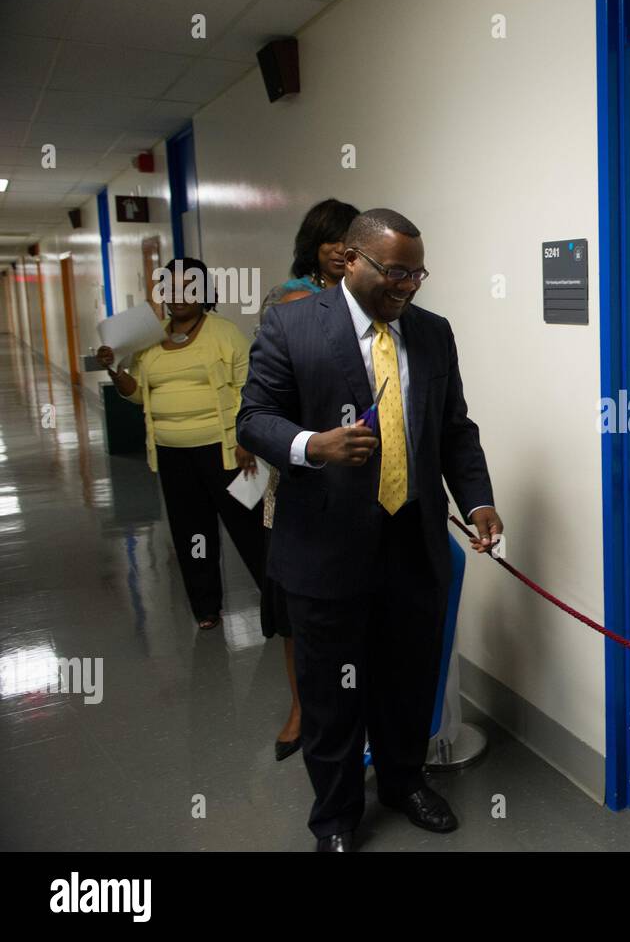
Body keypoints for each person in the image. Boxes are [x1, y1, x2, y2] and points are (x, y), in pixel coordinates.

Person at [237, 208, 504, 852]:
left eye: (418, 273)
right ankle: (334, 817)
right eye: (395, 271)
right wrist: (309, 445)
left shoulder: (434, 334)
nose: (409, 286)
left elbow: (453, 429)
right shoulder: (292, 322)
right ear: (350, 260)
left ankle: (403, 782)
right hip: (325, 550)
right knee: (331, 695)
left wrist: (476, 502)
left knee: (408, 680)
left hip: (412, 546)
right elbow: (254, 418)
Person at [97, 257, 264, 631]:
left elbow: (249, 390)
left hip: (224, 452)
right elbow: (138, 393)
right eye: (170, 287)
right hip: (172, 455)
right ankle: (205, 608)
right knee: (192, 532)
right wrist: (116, 371)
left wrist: (245, 438)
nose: (179, 294)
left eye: (189, 286)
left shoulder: (225, 333)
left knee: (250, 530)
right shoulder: (150, 339)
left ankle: (277, 602)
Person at [257, 199, 360, 762]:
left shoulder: (374, 300)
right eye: (332, 238)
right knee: (299, 607)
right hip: (299, 474)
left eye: (352, 238)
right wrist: (307, 446)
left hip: (361, 483)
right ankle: (301, 707)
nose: (342, 247)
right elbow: (263, 406)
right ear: (313, 242)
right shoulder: (288, 301)